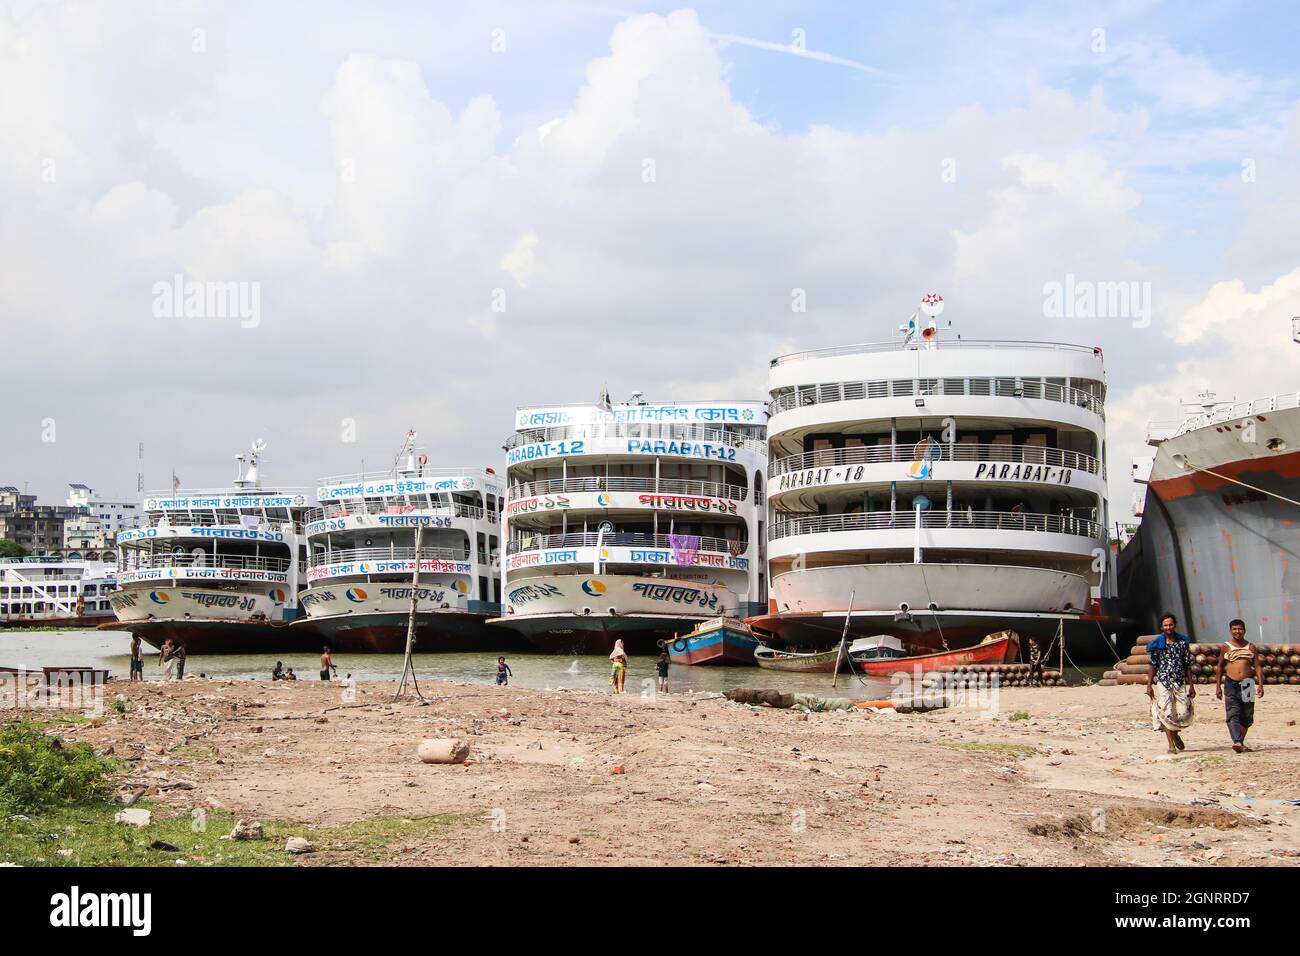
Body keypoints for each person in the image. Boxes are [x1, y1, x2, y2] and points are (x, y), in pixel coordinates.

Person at [1146, 613, 1195, 754]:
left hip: (1179, 681)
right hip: (1163, 682)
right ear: (1162, 627)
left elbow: (1187, 665)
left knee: (1182, 713)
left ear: (1175, 625)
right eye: (1165, 625)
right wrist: (1149, 685)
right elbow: (1153, 665)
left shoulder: (1182, 643)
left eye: (1171, 624)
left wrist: (1191, 685)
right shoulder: (1157, 645)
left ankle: (1175, 734)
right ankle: (1171, 745)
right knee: (1167, 713)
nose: (1168, 627)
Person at [1215, 618, 1264, 753]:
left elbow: (1257, 666)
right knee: (1233, 713)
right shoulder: (1226, 646)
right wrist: (1218, 686)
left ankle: (1240, 742)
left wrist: (1260, 684)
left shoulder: (1251, 647)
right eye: (1234, 629)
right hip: (1231, 683)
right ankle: (1237, 741)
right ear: (1230, 631)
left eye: (1240, 629)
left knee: (1247, 716)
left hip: (1248, 684)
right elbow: (1220, 666)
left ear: (1244, 630)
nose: (1237, 631)